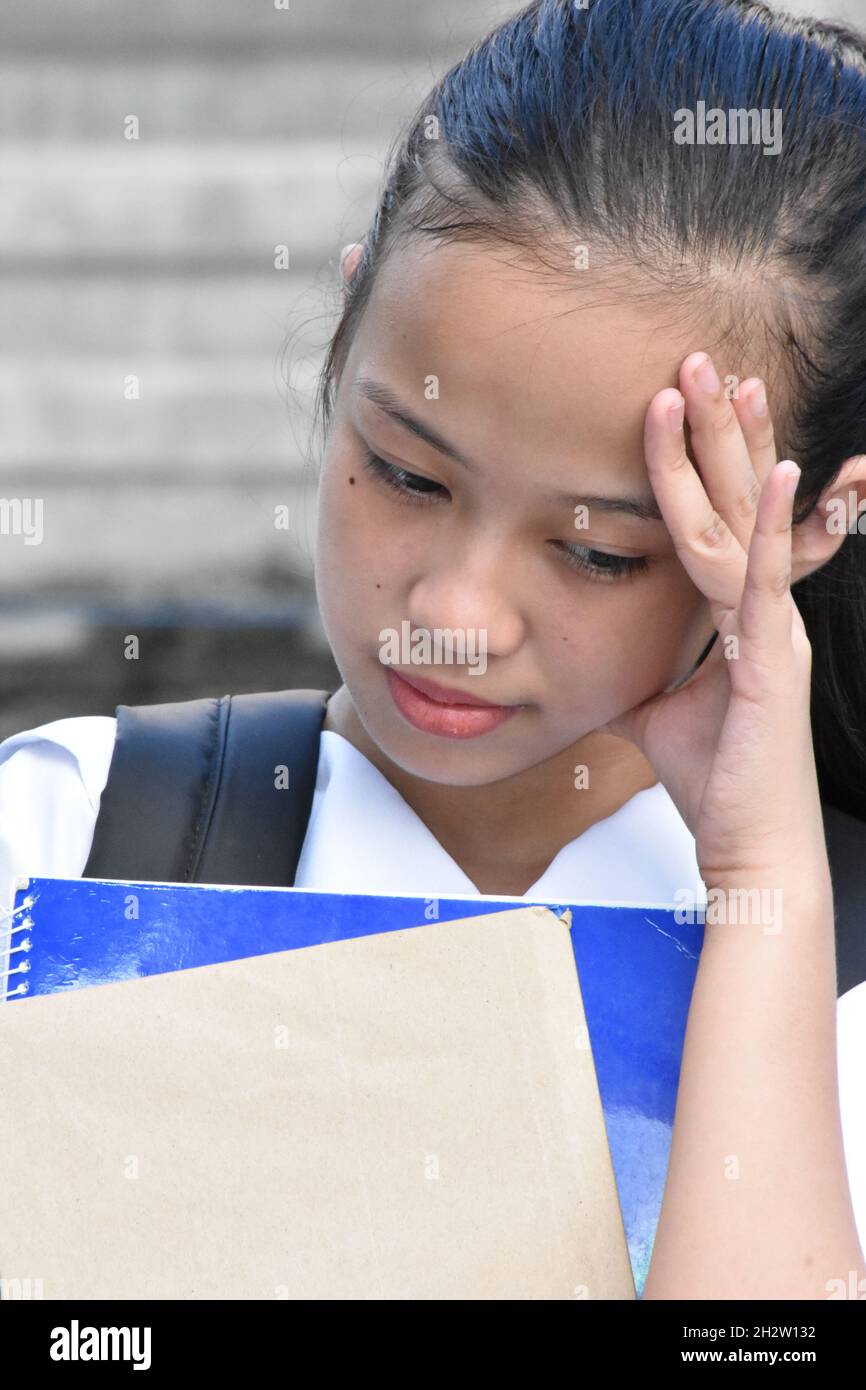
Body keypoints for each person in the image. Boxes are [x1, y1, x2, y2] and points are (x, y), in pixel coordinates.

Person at [2, 0, 866, 1299]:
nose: (451, 613)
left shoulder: (838, 975)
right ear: (347, 336)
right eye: (406, 472)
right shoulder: (68, 838)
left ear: (807, 521)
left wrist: (764, 889)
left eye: (595, 551)